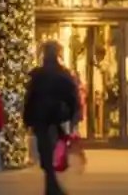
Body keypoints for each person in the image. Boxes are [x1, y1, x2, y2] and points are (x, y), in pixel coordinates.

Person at [24, 41, 80, 195]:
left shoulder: (38, 74)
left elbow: (30, 98)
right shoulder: (63, 73)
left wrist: (27, 119)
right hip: (57, 116)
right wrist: (73, 114)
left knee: (46, 152)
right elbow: (72, 96)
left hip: (41, 117)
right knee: (52, 150)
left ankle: (51, 186)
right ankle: (52, 186)